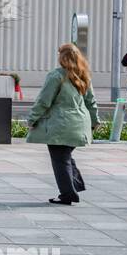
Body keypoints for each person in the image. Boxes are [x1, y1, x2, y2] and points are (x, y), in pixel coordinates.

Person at [27, 43, 99, 206]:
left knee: (60, 159)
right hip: (80, 124)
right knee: (65, 156)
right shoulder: (84, 75)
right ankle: (75, 187)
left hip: (61, 125)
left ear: (62, 57)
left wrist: (32, 119)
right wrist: (95, 122)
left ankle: (68, 195)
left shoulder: (56, 76)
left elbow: (44, 101)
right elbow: (91, 102)